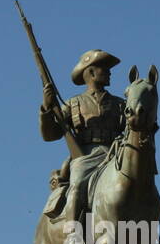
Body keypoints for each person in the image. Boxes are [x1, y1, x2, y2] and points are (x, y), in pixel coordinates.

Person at [39, 49, 126, 225]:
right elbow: (50, 135)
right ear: (91, 72)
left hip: (115, 153)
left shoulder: (119, 104)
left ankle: (147, 232)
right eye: (104, 68)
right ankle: (73, 230)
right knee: (77, 183)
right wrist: (47, 109)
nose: (109, 72)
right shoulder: (73, 103)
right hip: (86, 156)